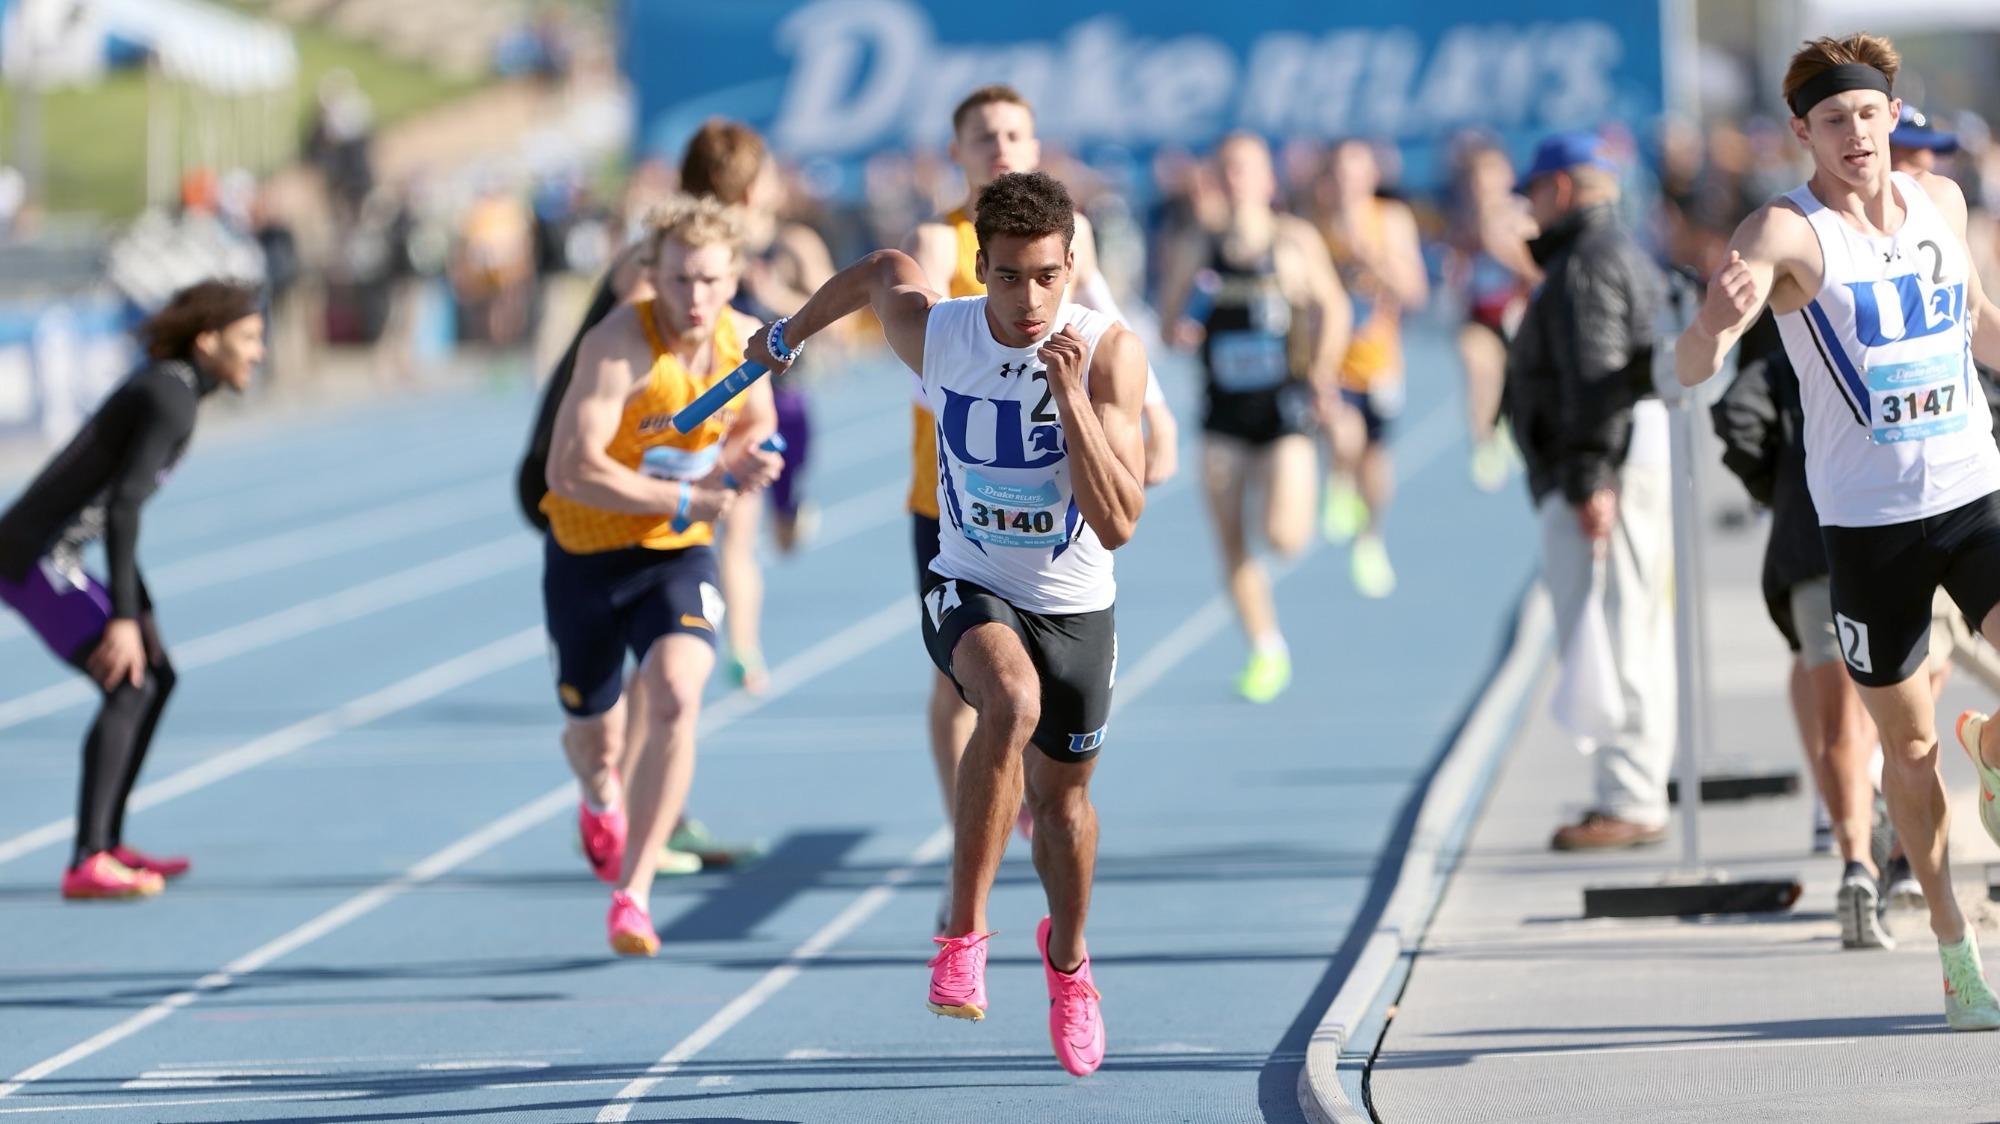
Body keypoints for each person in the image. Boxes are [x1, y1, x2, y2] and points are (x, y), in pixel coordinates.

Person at [751, 171, 1145, 1077]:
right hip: (969, 580)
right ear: (981, 270)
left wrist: (1073, 400)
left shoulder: (1109, 352)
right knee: (1005, 701)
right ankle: (964, 936)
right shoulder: (942, 335)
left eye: (1047, 276)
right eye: (1008, 277)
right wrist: (784, 338)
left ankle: (1069, 963)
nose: (1029, 298)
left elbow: (1121, 521)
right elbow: (879, 272)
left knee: (1064, 808)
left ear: (1072, 267)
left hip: (1075, 601)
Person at [1676, 33, 2000, 1030]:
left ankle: (1987, 744)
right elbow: (1694, 368)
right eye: (1831, 120)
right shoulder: (1784, 231)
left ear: (1891, 116)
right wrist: (1707, 323)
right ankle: (1953, 946)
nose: (1853, 134)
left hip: (1972, 490)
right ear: (1799, 134)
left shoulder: (1941, 203)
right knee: (1903, 752)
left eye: (1866, 113)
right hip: (1865, 529)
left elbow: (1977, 319)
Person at [904, 85, 1178, 908]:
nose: (1001, 146)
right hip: (950, 495)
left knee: (1046, 757)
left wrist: (1149, 407)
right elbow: (907, 315)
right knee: (981, 687)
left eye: (1015, 132)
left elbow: (1101, 318)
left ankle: (1028, 848)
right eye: (983, 136)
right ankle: (972, 854)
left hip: (1057, 509)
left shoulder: (1068, 232)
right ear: (956, 154)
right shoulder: (938, 238)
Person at [540, 196, 783, 956]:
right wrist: (686, 491)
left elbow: (758, 420)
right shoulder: (617, 346)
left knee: (678, 693)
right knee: (596, 738)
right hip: (586, 556)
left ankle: (635, 893)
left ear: (734, 277)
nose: (696, 298)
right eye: (680, 280)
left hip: (675, 553)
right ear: (653, 276)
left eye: (711, 281)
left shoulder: (743, 341)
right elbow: (569, 468)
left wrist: (744, 460)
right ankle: (598, 792)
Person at [0, 281, 264, 899]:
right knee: (129, 681)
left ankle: (110, 844)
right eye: (249, 338)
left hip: (56, 552)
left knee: (158, 672)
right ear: (209, 340)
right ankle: (88, 859)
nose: (260, 352)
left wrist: (140, 612)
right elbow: (122, 509)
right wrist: (123, 618)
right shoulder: (173, 397)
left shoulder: (174, 390)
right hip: (31, 555)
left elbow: (114, 509)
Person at [1712, 310, 1905, 947]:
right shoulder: (1890, 346)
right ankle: (1897, 845)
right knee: (1906, 708)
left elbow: (1733, 417)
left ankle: (1855, 854)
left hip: (1811, 548)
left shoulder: (1785, 358)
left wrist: (1775, 486)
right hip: (1896, 537)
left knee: (1838, 718)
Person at [1508, 131, 1676, 852]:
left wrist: (1587, 478)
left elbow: (1597, 382)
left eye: (1536, 195)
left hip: (1606, 470)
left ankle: (1631, 797)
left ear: (1563, 191)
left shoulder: (1587, 263)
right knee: (1627, 626)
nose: (1530, 212)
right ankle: (1631, 788)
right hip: (1619, 464)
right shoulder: (1610, 252)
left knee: (1618, 631)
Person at [1158, 132, 1349, 702]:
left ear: (1269, 181)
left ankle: (1330, 482)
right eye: (1227, 169)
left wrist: (1324, 370)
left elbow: (1334, 307)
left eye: (1247, 169)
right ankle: (1267, 647)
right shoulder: (1199, 245)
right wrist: (1181, 330)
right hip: (1223, 413)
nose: (1236, 179)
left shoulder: (1293, 242)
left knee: (1285, 537)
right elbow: (1170, 324)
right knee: (1230, 540)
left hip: (1283, 409)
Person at [679, 119, 838, 694]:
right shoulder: (709, 251)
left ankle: (794, 514)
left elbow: (837, 323)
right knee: (736, 531)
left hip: (787, 404)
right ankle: (743, 648)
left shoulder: (793, 244)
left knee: (784, 528)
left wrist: (774, 298)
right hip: (727, 407)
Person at [1315, 139, 1429, 597]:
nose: (1347, 181)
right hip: (1331, 361)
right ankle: (1339, 483)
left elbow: (1416, 291)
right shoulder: (1314, 227)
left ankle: (1371, 540)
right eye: (1339, 171)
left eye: (1356, 171)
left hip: (1379, 361)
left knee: (1377, 461)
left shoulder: (1391, 221)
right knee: (1344, 433)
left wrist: (1372, 257)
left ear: (1370, 178)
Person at [1445, 141, 1539, 492]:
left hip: (1520, 316)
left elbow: (1537, 271)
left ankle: (1515, 425)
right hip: (1481, 317)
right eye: (1477, 180)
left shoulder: (1522, 218)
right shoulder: (1463, 220)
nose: (1483, 187)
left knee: (1517, 377)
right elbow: (1459, 273)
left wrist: (1501, 248)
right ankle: (1485, 437)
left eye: (1491, 178)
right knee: (1474, 360)